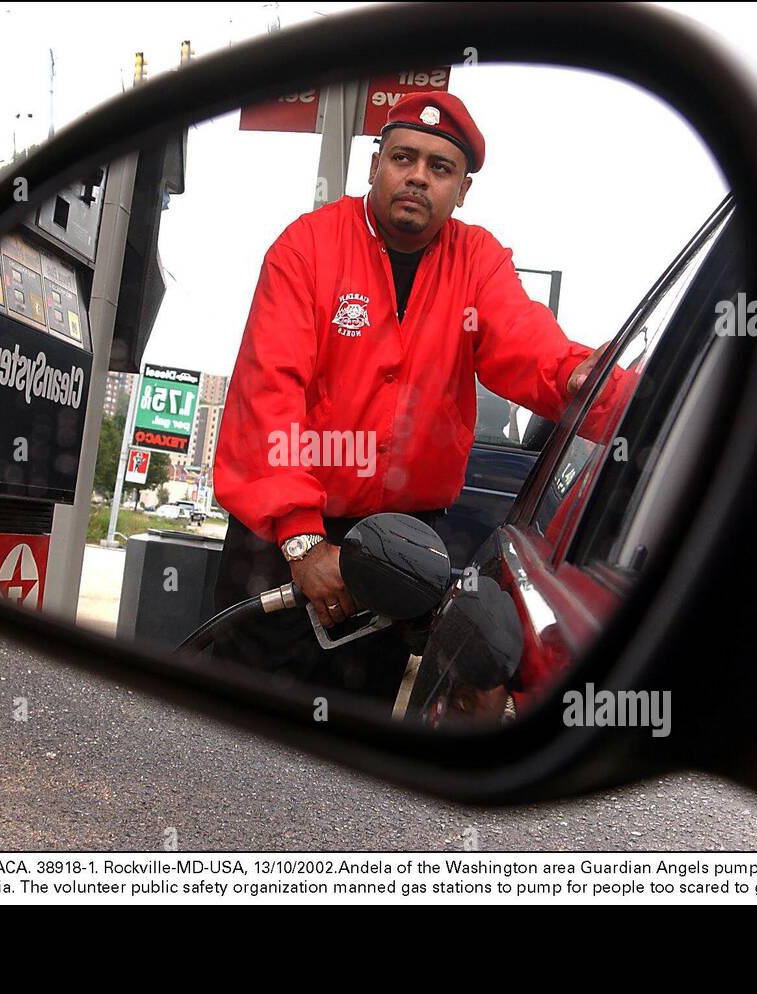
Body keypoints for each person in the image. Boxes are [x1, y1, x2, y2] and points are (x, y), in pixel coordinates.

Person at [210, 91, 613, 700]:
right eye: (404, 157)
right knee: (233, 731)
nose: (418, 176)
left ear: (463, 190)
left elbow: (527, 345)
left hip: (397, 552)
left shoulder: (478, 261)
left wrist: (591, 382)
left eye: (440, 167)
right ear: (376, 164)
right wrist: (302, 538)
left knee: (353, 743)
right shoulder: (307, 248)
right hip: (282, 543)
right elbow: (269, 395)